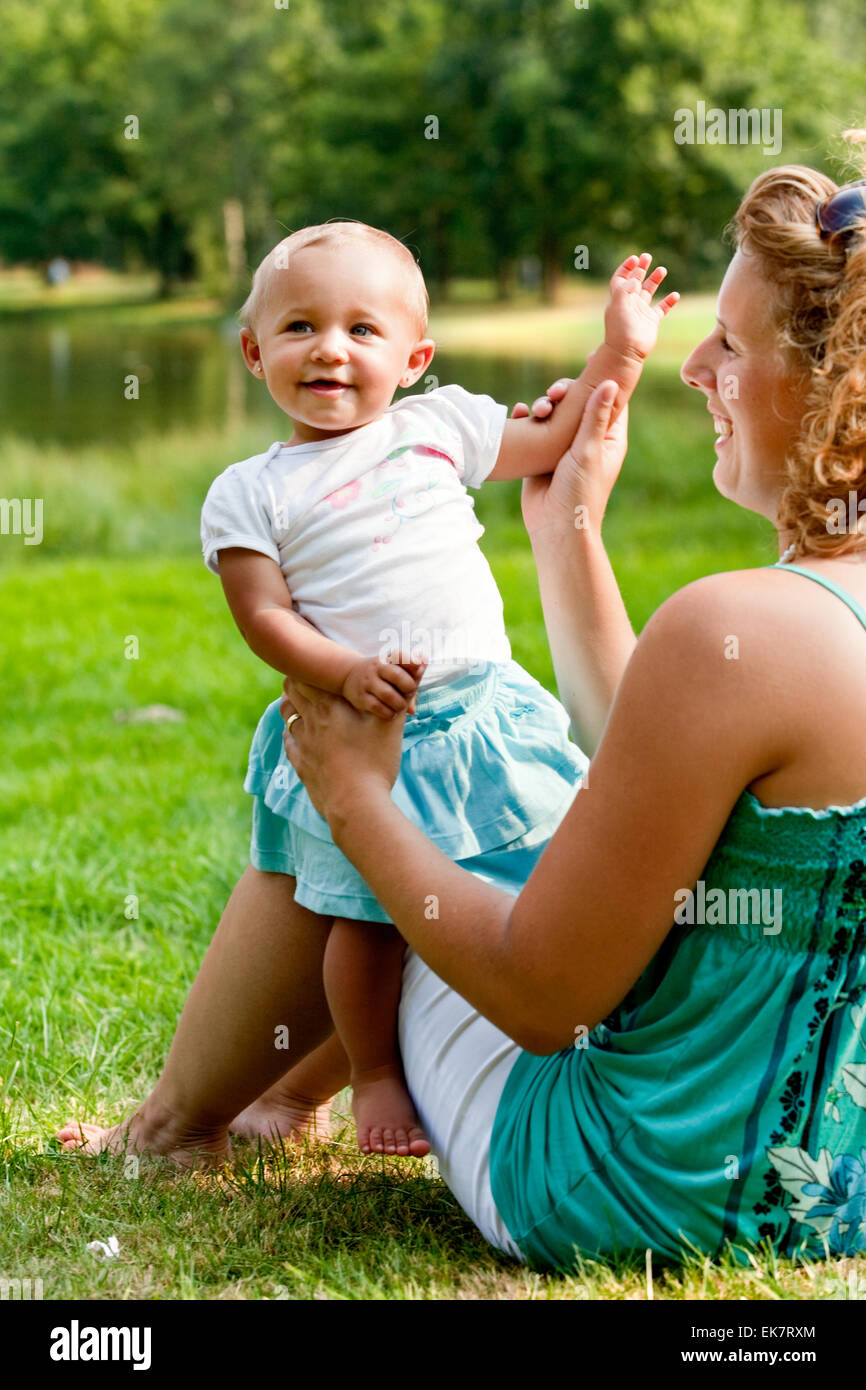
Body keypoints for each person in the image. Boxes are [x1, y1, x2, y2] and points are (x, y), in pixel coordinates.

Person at [60, 153, 866, 1266]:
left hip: (617, 1180)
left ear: (835, 384)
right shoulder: (792, 630)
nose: (691, 371)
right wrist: (566, 528)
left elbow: (541, 996)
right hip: (827, 1192)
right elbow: (662, 767)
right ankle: (270, 1099)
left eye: (728, 345)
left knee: (388, 805)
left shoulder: (737, 626)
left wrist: (355, 801)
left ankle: (172, 1126)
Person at [191, 220, 676, 1157]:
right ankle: (372, 1078)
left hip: (484, 721)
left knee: (539, 879)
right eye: (299, 328)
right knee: (367, 923)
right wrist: (343, 670)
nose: (330, 348)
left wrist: (619, 349)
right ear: (255, 353)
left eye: (363, 331)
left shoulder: (438, 427)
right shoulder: (251, 491)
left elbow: (559, 436)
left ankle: (309, 1088)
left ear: (414, 358)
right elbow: (265, 617)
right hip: (365, 728)